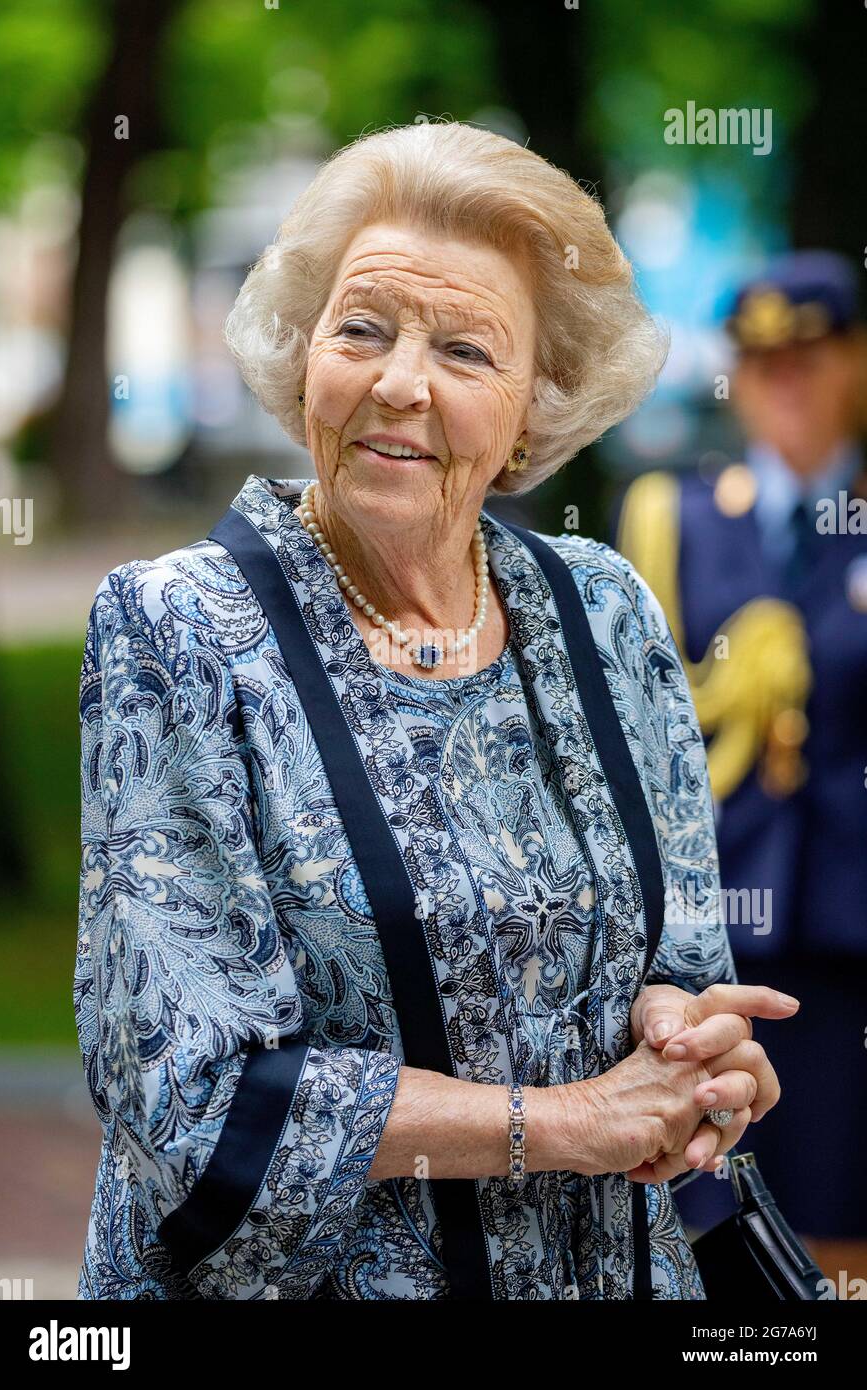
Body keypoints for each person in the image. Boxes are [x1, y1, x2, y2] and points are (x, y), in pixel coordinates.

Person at [74, 120, 796, 1301]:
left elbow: (684, 953)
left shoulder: (606, 609)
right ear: (304, 353)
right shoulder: (178, 631)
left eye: (464, 348)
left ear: (533, 409)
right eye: (361, 328)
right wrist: (570, 1121)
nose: (399, 381)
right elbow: (193, 1108)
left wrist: (689, 1046)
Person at [615, 250, 867, 1261]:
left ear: (853, 361)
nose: (785, 384)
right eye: (763, 363)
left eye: (809, 356)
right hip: (723, 931)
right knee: (709, 1227)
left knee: (843, 1230)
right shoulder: (673, 519)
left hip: (854, 939)